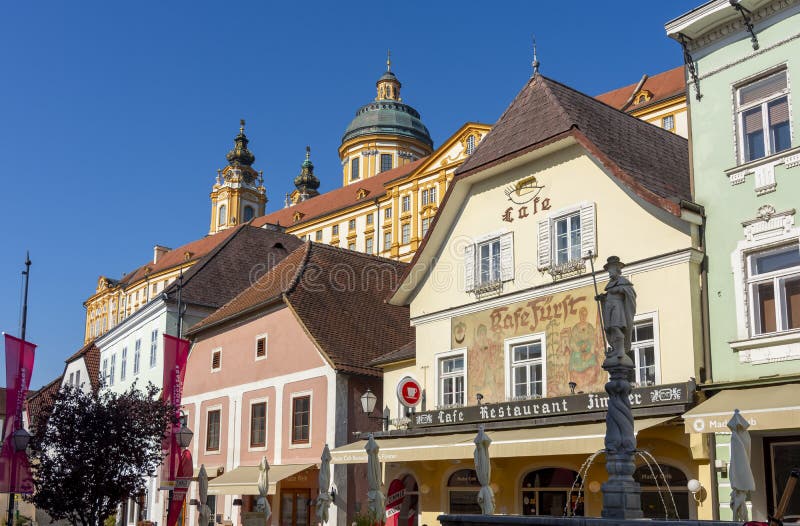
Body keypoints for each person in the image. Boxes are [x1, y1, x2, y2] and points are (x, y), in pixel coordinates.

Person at [595, 256, 636, 367]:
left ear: (617, 269)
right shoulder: (609, 285)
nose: (609, 273)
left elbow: (631, 293)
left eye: (611, 270)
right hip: (609, 308)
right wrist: (602, 298)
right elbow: (608, 295)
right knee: (610, 328)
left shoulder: (623, 282)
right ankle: (615, 348)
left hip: (617, 307)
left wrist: (619, 289)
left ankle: (621, 350)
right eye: (608, 270)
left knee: (616, 327)